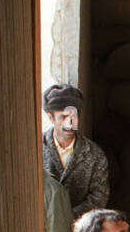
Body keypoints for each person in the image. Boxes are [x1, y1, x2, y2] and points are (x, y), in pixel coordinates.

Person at [42, 84, 110, 219]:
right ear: (51, 118)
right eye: (63, 117)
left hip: (78, 229)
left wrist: (68, 217)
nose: (70, 123)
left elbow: (99, 197)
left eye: (74, 116)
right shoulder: (36, 149)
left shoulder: (95, 155)